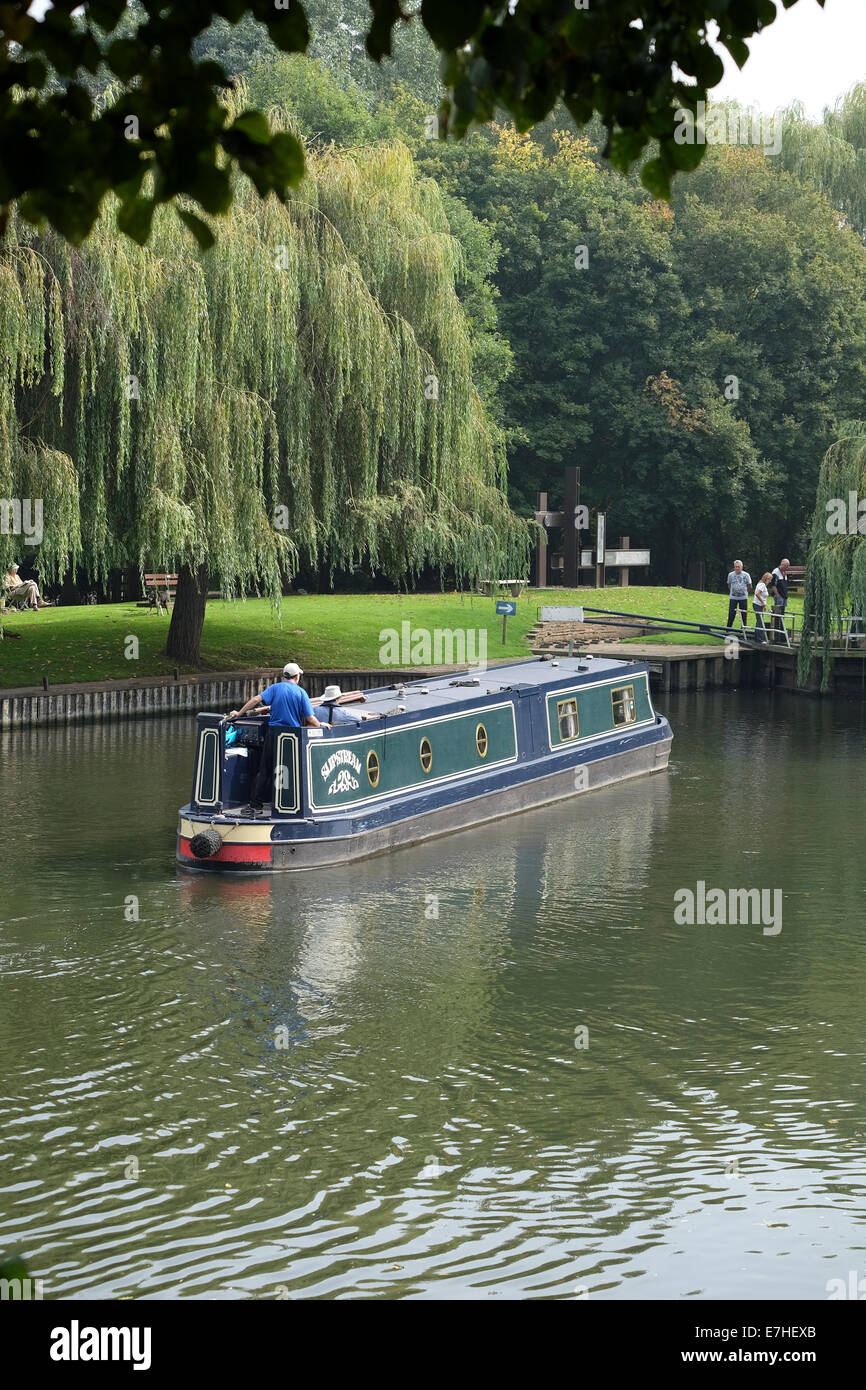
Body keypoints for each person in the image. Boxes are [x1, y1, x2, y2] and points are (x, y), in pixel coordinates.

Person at [228, 662, 321, 815]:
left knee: (264, 770)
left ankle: (255, 804)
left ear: (285, 676)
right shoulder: (301, 693)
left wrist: (239, 713)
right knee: (293, 769)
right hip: (292, 736)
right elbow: (310, 718)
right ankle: (291, 805)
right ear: (297, 677)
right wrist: (321, 725)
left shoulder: (275, 688)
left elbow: (256, 700)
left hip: (273, 733)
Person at [768, 558, 790, 644]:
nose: (787, 568)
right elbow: (773, 584)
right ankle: (775, 630)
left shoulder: (784, 573)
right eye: (786, 566)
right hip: (779, 596)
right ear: (783, 564)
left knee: (782, 614)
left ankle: (781, 629)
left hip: (784, 596)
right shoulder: (776, 571)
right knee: (777, 613)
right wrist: (777, 595)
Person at [726, 560, 752, 631]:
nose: (737, 568)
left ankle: (743, 630)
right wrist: (733, 591)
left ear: (742, 567)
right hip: (733, 598)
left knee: (743, 614)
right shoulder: (730, 575)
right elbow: (729, 584)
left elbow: (749, 585)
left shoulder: (746, 575)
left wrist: (745, 592)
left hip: (743, 598)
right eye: (736, 567)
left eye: (738, 567)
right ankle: (728, 629)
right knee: (731, 614)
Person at [753, 572, 771, 643]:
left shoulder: (761, 584)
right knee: (760, 621)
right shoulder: (762, 585)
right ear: (767, 579)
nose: (770, 581)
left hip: (759, 605)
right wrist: (763, 603)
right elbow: (757, 594)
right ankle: (760, 639)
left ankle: (757, 638)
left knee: (759, 621)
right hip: (757, 605)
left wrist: (764, 605)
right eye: (770, 579)